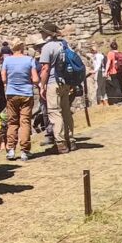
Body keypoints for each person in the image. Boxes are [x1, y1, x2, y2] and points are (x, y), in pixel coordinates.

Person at [38, 23, 75, 154]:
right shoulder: (64, 44)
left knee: (54, 112)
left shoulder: (47, 47)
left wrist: (42, 85)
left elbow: (45, 68)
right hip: (65, 82)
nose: (40, 34)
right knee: (66, 111)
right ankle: (70, 139)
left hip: (53, 82)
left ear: (47, 33)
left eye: (42, 32)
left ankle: (61, 143)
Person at [1, 41, 38, 162]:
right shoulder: (29, 60)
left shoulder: (7, 61)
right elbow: (36, 79)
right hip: (26, 93)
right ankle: (24, 151)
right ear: (22, 48)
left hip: (11, 93)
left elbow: (3, 78)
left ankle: (11, 149)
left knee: (12, 122)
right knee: (25, 122)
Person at [106, 41, 122, 105]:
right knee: (121, 86)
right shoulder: (121, 53)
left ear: (111, 47)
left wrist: (106, 71)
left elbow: (108, 63)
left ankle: (119, 102)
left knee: (117, 87)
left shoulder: (110, 53)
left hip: (114, 72)